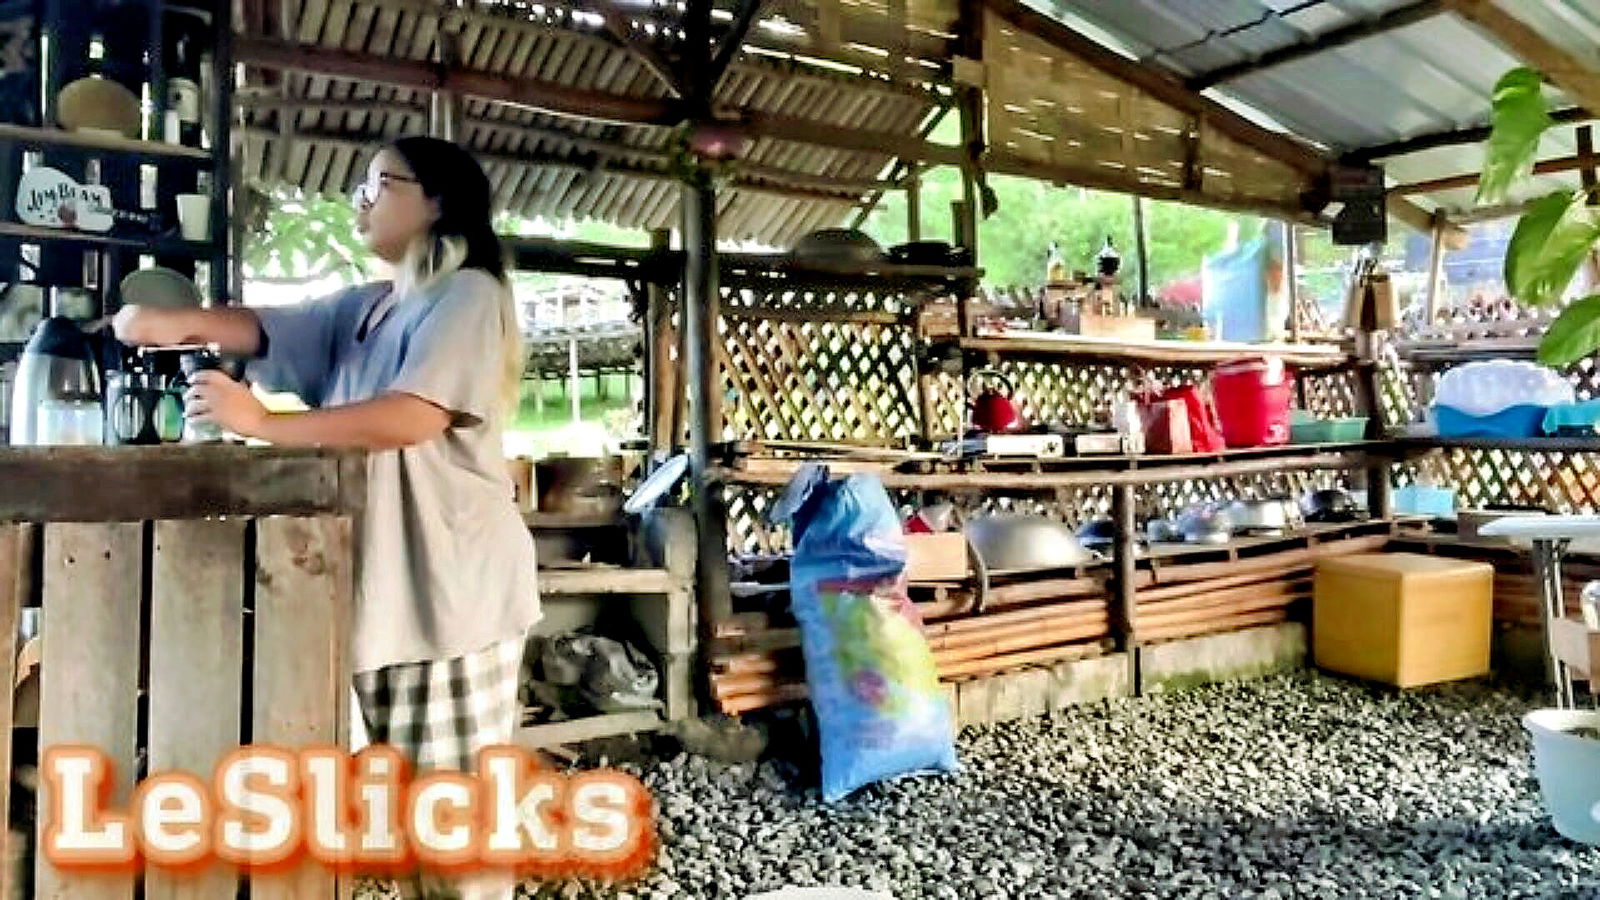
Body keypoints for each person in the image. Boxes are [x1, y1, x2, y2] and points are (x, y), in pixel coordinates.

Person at [114, 136, 538, 899]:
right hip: (385, 589)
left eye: (380, 183)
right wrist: (172, 323)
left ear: (438, 201)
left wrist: (262, 423)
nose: (361, 198)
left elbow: (411, 416)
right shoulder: (367, 306)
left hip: (450, 591)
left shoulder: (467, 296)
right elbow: (264, 327)